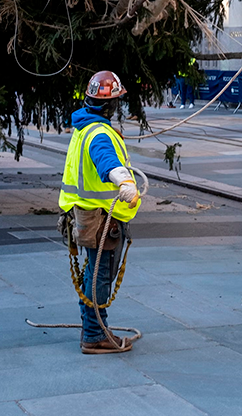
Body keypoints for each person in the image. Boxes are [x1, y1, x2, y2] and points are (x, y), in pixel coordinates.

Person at [58, 70, 142, 354]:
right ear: (110, 105)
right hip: (102, 219)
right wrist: (125, 182)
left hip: (86, 217)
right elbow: (105, 160)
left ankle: (93, 329)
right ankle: (94, 335)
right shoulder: (98, 133)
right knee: (100, 276)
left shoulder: (84, 126)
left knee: (94, 273)